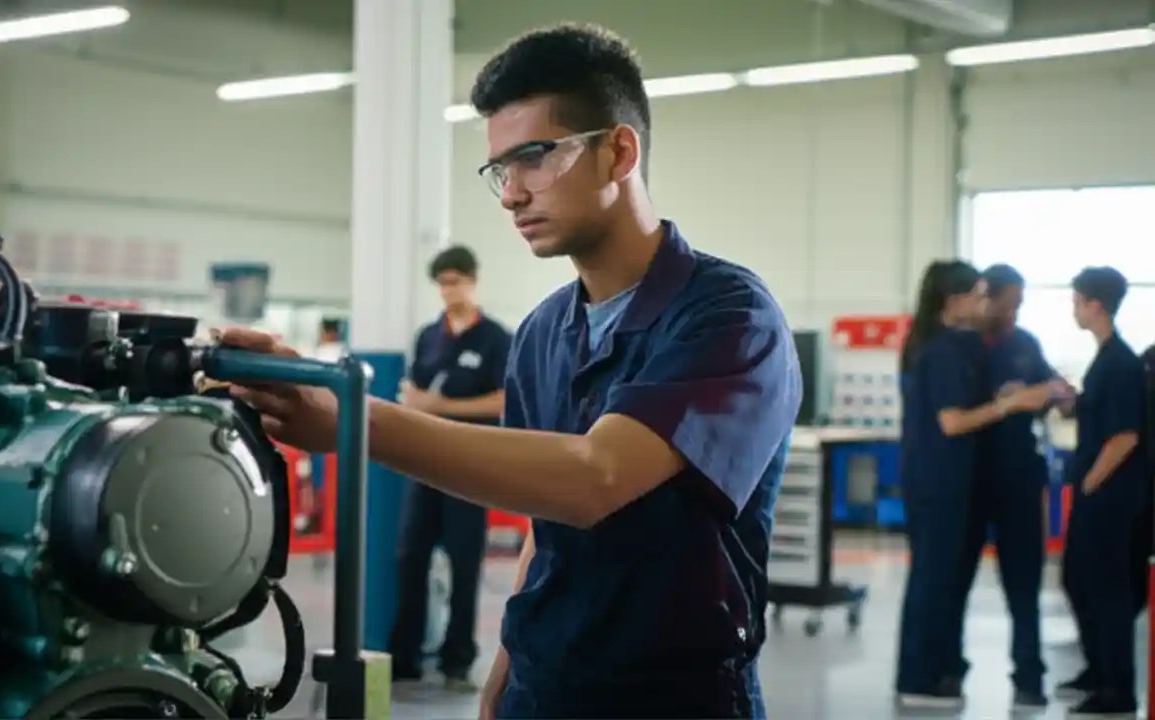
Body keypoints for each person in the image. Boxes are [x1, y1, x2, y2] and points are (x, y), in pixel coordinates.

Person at [219, 23, 802, 720]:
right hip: (544, 686)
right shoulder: (542, 334)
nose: (511, 195)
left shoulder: (729, 317)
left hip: (674, 696)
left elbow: (594, 478)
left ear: (619, 151)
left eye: (534, 158)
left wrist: (353, 420)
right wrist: (502, 676)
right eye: (500, 169)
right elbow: (544, 529)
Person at [894, 260, 1055, 710]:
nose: (988, 306)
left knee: (944, 581)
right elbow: (952, 421)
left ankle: (940, 673)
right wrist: (1011, 403)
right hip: (942, 484)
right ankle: (922, 677)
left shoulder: (990, 347)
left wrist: (1041, 397)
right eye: (982, 296)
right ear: (957, 299)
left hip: (976, 485)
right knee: (935, 581)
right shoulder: (945, 352)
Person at [388, 245, 512, 689]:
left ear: (473, 282)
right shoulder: (429, 336)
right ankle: (404, 658)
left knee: (464, 564)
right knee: (410, 559)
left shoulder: (496, 339)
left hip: (468, 468)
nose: (449, 290)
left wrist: (444, 405)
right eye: (442, 283)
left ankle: (456, 662)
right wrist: (416, 402)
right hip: (424, 466)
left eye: (456, 281)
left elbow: (504, 398)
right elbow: (414, 390)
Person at [1055, 266, 1149, 716]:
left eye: (1076, 301)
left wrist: (1091, 482)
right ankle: (1097, 669)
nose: (1073, 308)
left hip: (1111, 499)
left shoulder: (1121, 363)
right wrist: (1072, 403)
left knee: (1108, 591)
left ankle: (1117, 690)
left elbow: (1126, 435)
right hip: (1098, 496)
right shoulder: (1105, 359)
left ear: (1095, 304)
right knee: (1077, 580)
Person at [966, 263, 1060, 708]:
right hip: (968, 481)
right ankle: (945, 670)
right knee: (951, 582)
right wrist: (1005, 403)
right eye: (1010, 304)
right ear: (988, 298)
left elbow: (1049, 389)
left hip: (1020, 480)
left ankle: (1029, 677)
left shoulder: (1025, 345)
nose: (1014, 313)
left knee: (1024, 585)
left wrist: (1057, 395)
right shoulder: (959, 348)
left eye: (1019, 305)